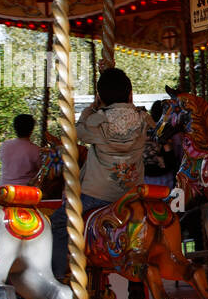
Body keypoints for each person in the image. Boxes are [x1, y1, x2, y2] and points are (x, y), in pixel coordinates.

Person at [50, 68, 155, 281]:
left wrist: (90, 109)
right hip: (132, 195)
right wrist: (131, 106)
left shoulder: (97, 120)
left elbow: (76, 132)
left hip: (96, 195)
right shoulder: (144, 119)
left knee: (59, 222)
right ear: (129, 92)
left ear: (100, 96)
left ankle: (59, 273)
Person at [0, 114, 42, 186]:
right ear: (31, 129)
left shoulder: (5, 145)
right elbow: (41, 169)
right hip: (23, 190)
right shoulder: (35, 149)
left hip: (4, 188)